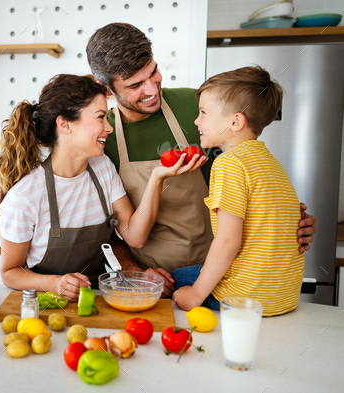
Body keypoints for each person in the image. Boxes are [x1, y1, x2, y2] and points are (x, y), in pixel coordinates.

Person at [85, 23, 317, 293]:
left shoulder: (197, 106)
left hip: (224, 275)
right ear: (107, 89)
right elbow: (101, 231)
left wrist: (287, 221)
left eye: (153, 72)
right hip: (155, 282)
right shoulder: (103, 138)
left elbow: (250, 175)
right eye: (136, 85)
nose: (151, 89)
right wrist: (132, 271)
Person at [0, 74, 205, 301]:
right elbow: (10, 273)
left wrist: (157, 178)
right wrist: (53, 282)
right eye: (100, 117)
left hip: (100, 299)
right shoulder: (25, 197)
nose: (108, 128)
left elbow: (135, 236)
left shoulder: (101, 168)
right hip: (48, 304)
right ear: (64, 124)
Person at [172, 66, 304, 316]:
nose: (196, 121)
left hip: (243, 298)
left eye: (203, 112)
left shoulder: (229, 163)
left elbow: (228, 242)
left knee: (168, 280)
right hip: (281, 297)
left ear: (235, 121)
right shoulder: (270, 163)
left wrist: (195, 295)